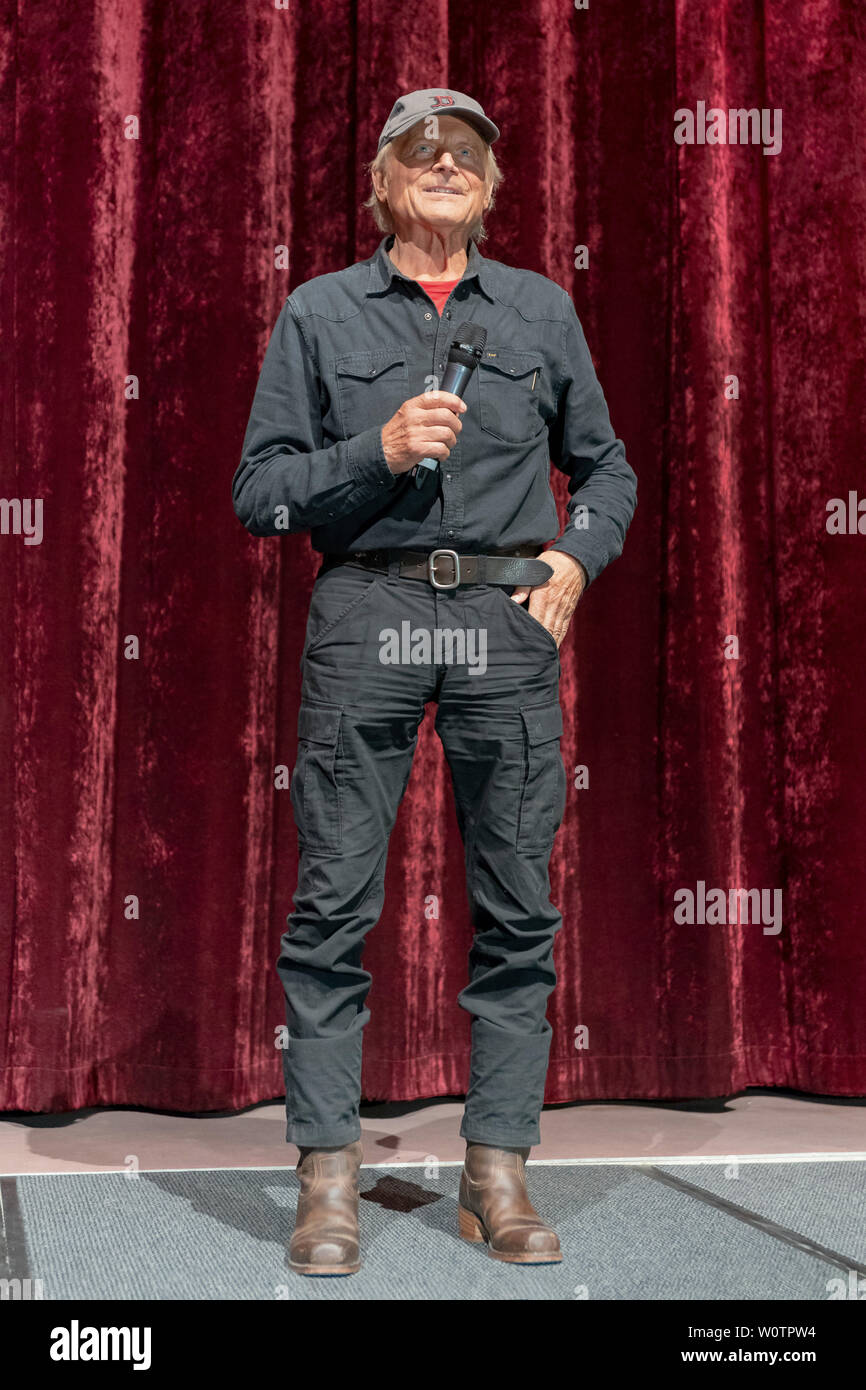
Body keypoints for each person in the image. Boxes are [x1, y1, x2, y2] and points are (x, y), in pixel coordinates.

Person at [233, 88, 637, 1275]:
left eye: (467, 152)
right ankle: (326, 1181)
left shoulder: (541, 311)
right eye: (420, 150)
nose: (445, 163)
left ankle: (494, 1173)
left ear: (491, 184)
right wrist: (376, 452)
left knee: (518, 904)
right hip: (368, 611)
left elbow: (604, 469)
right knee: (333, 907)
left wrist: (572, 556)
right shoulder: (319, 312)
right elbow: (261, 492)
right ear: (382, 179)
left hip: (502, 622)